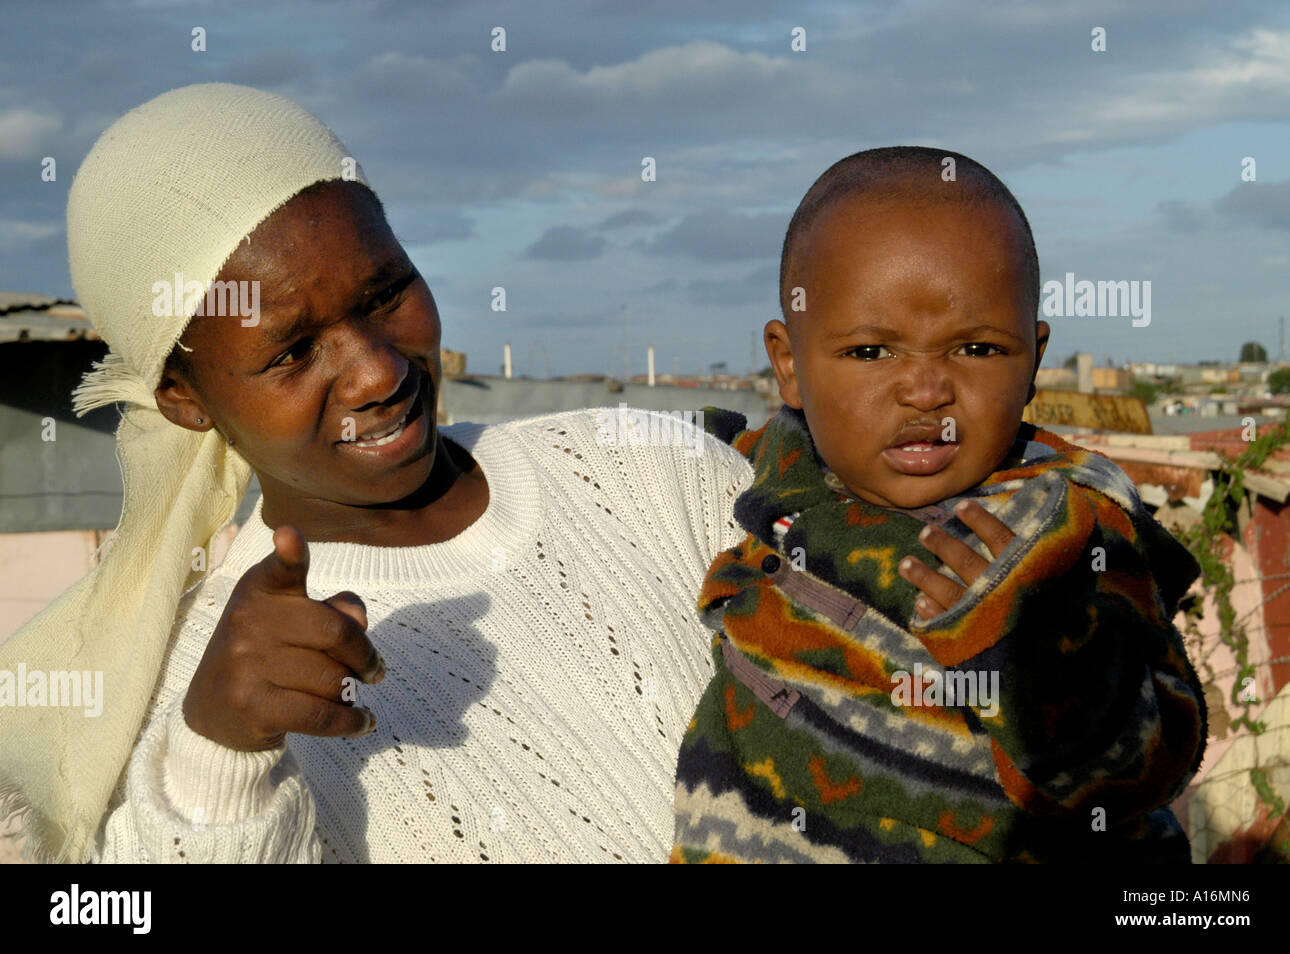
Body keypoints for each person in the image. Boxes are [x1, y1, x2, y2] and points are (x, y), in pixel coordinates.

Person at [0, 83, 753, 863]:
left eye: (386, 294)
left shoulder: (654, 472)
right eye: (292, 351)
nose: (377, 371)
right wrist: (223, 760)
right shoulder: (209, 697)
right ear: (185, 399)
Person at [670, 147, 1208, 863]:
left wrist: (1030, 653)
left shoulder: (1062, 523)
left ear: (1034, 363)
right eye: (870, 353)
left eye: (978, 349)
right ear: (790, 364)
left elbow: (1156, 755)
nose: (926, 391)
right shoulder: (772, 461)